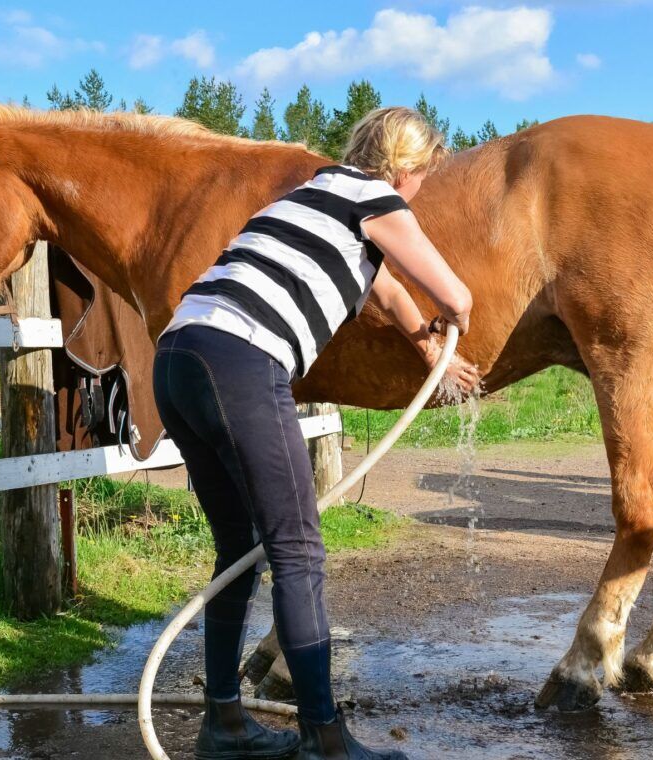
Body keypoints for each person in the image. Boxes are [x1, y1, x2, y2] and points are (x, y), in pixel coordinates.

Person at [153, 106, 477, 760]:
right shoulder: (376, 195)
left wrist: (424, 347)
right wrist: (454, 317)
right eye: (423, 177)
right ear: (408, 169)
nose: (417, 191)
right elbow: (453, 292)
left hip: (178, 357)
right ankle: (327, 739)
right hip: (241, 359)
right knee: (297, 550)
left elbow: (383, 289)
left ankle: (223, 725)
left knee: (241, 544)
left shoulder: (313, 199)